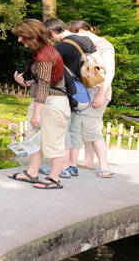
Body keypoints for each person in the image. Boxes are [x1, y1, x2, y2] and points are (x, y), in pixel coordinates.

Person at [8, 19, 71, 189]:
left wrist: (37, 113)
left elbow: (44, 86)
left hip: (51, 104)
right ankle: (32, 174)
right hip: (45, 102)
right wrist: (25, 84)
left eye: (22, 36)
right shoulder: (42, 52)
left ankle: (54, 178)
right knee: (34, 141)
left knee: (54, 143)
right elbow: (45, 81)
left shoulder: (45, 55)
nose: (20, 40)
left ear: (31, 36)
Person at [43, 18, 96, 178]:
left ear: (53, 32)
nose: (51, 40)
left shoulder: (62, 47)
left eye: (49, 36)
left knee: (63, 130)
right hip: (82, 91)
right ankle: (72, 165)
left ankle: (62, 167)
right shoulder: (86, 40)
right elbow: (99, 63)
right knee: (75, 130)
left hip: (67, 92)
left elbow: (50, 69)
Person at [68, 20, 117, 178]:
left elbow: (109, 72)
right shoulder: (89, 46)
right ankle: (89, 160)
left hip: (99, 92)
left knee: (92, 128)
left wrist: (101, 94)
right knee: (86, 126)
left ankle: (104, 167)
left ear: (82, 31)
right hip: (89, 91)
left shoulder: (105, 46)